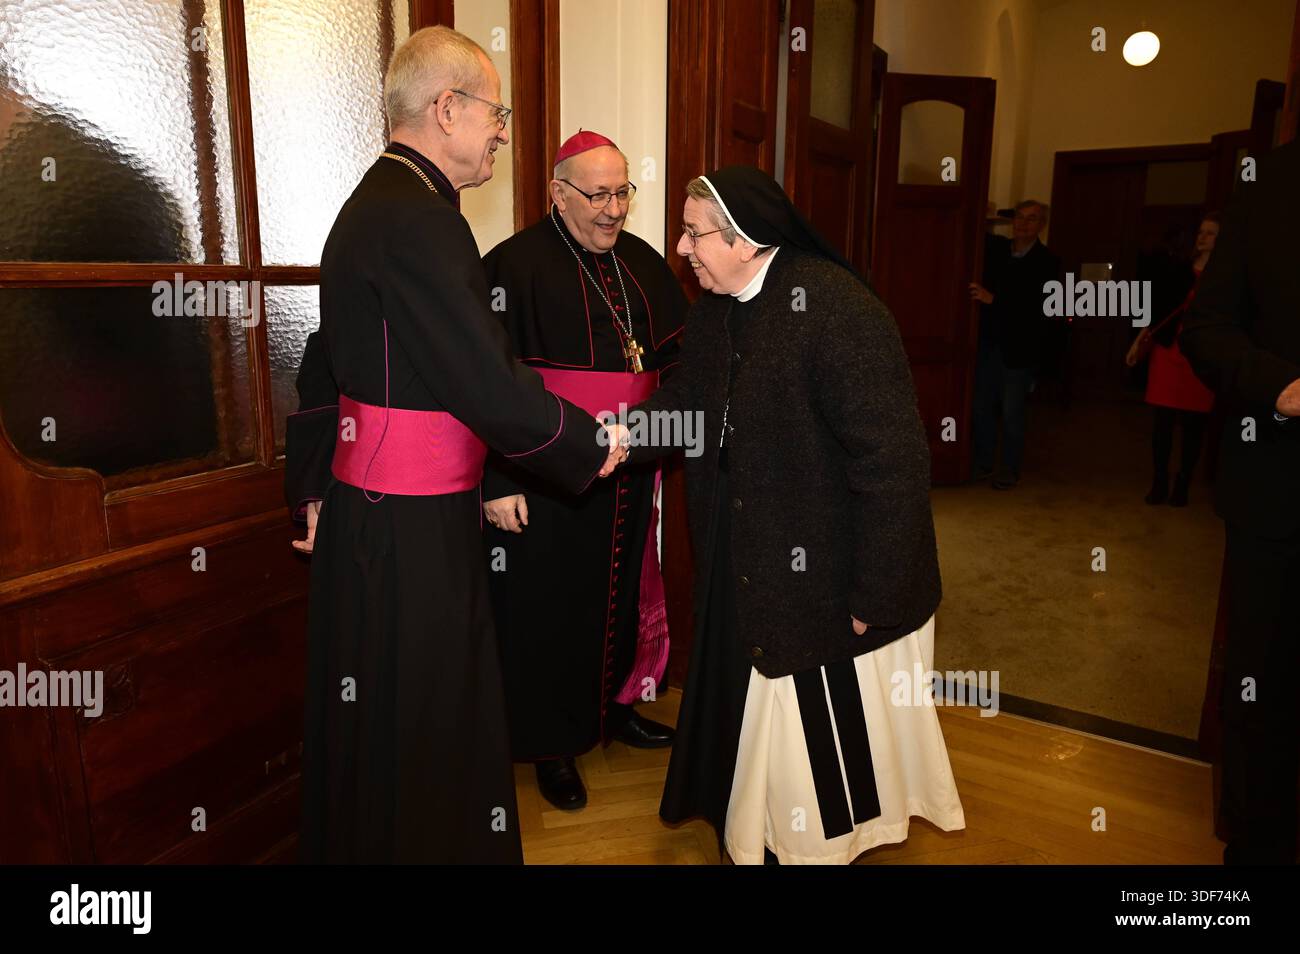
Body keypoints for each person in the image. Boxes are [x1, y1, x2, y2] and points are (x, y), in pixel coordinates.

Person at [283, 26, 626, 863]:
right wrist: (583, 444)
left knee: (380, 722)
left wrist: (312, 489)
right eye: (495, 114)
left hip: (370, 521)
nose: (502, 132)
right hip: (412, 532)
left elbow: (323, 365)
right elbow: (482, 378)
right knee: (433, 716)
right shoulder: (425, 223)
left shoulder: (371, 202)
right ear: (446, 109)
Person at [632, 166, 965, 864]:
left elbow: (893, 464)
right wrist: (622, 434)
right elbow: (691, 400)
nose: (683, 248)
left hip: (831, 568)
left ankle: (813, 844)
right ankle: (751, 825)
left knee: (820, 734)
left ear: (746, 240)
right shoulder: (717, 306)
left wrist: (876, 592)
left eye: (694, 233)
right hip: (745, 551)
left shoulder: (840, 312)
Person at [480, 130, 687, 810]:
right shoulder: (512, 267)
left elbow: (679, 362)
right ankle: (550, 743)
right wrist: (496, 479)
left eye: (622, 192)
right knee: (550, 610)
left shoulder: (643, 265)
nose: (613, 210)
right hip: (543, 474)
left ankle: (614, 709)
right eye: (596, 194)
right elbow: (480, 385)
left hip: (631, 468)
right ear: (557, 194)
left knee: (621, 595)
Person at [1181, 140, 1300, 866]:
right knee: (1267, 693)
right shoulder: (1269, 185)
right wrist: (1284, 387)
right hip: (1282, 497)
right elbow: (1206, 332)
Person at [1125, 214, 1219, 506]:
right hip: (1168, 351)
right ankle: (1159, 481)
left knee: (1194, 426)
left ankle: (1182, 484)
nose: (1202, 238)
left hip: (1202, 356)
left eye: (1210, 234)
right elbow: (1158, 310)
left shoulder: (1224, 278)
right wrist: (1138, 340)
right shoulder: (1177, 270)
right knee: (1162, 424)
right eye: (1200, 232)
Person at [968, 200, 1061, 489]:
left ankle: (1009, 469)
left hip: (1019, 350)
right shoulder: (997, 250)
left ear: (1041, 225)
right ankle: (983, 463)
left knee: (1012, 413)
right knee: (981, 406)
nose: (1022, 224)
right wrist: (980, 209)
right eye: (1019, 218)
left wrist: (994, 300)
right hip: (987, 344)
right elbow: (970, 233)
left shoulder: (1048, 262)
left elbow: (1038, 310)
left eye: (1031, 219)